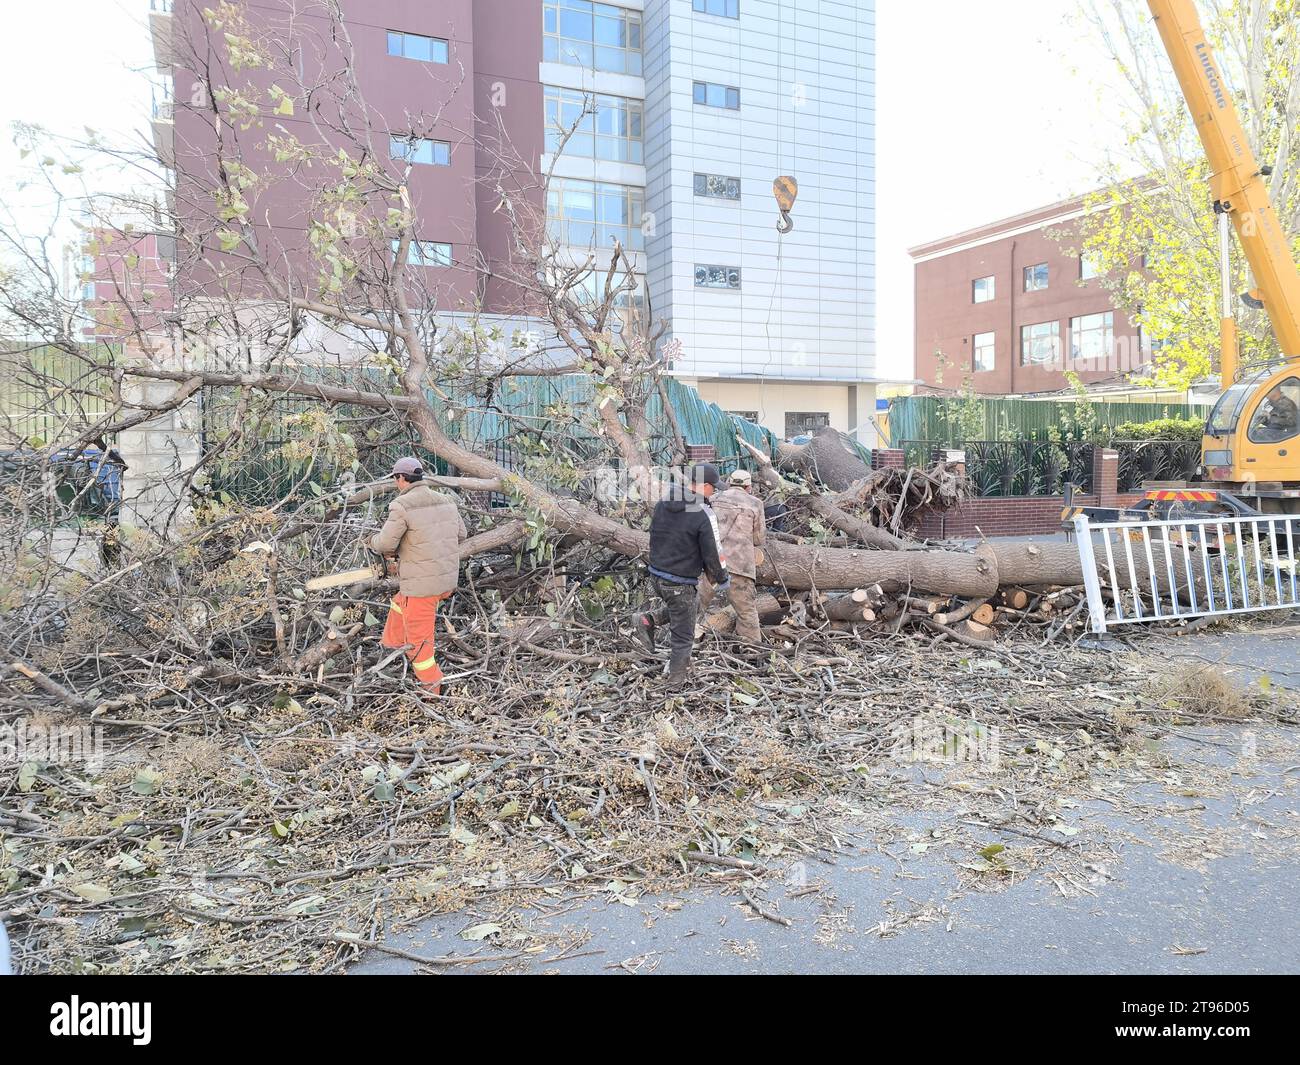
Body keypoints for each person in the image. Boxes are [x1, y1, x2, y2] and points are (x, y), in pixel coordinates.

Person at [369, 457, 466, 693]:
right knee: (400, 603)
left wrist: (371, 542)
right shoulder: (446, 500)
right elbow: (461, 534)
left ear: (400, 479)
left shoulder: (401, 506)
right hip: (446, 581)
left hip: (423, 588)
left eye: (396, 479)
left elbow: (384, 544)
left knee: (419, 647)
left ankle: (433, 691)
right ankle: (390, 648)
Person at [638, 463, 729, 690]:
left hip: (657, 575)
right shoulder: (702, 512)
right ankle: (676, 683)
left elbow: (655, 535)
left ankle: (648, 620)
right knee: (683, 635)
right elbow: (714, 551)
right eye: (713, 488)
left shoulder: (664, 502)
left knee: (688, 607)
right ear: (704, 486)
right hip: (679, 581)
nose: (714, 493)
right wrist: (722, 577)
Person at [698, 468, 766, 647]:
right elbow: (759, 538)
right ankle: (751, 651)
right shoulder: (755, 503)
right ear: (748, 486)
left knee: (695, 604)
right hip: (740, 566)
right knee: (746, 613)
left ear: (728, 483)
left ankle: (681, 642)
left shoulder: (713, 499)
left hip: (710, 562)